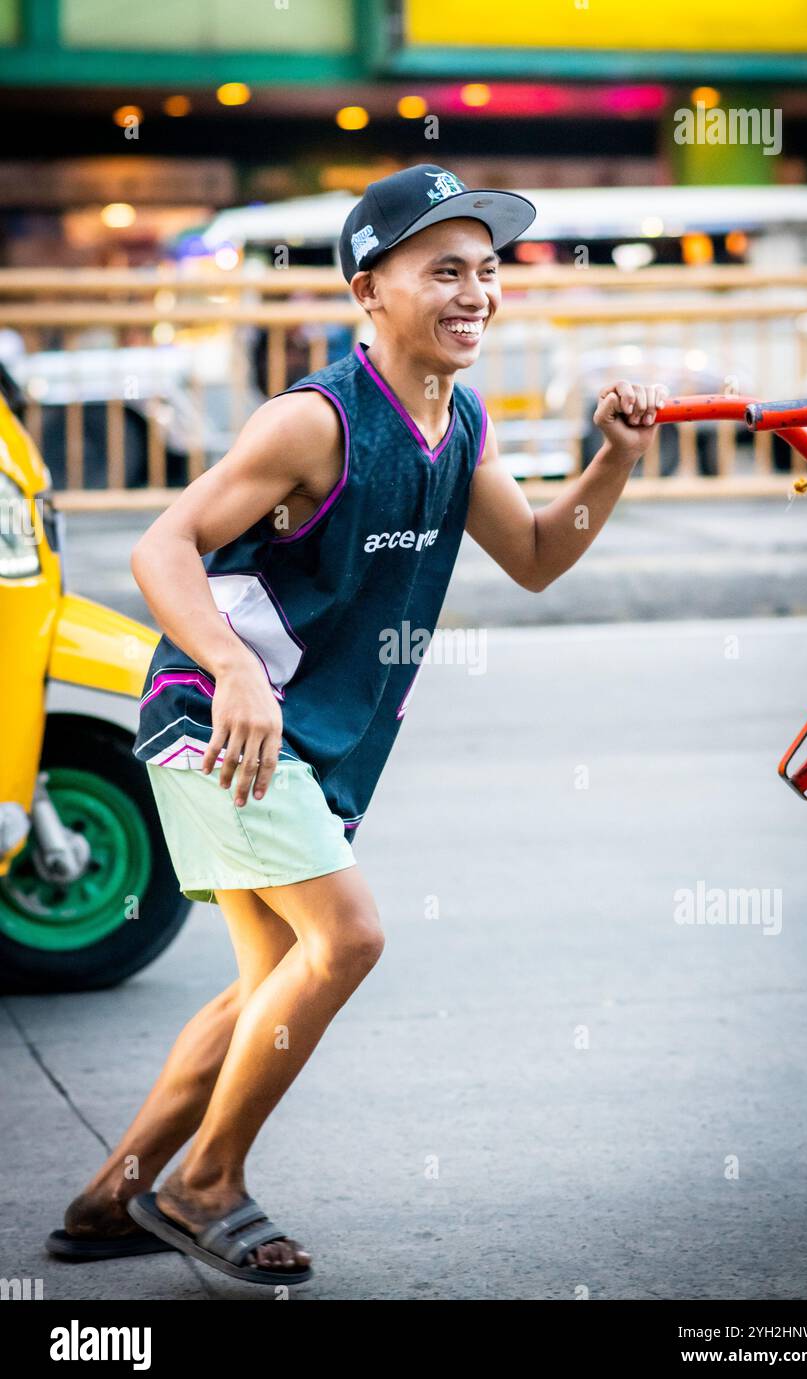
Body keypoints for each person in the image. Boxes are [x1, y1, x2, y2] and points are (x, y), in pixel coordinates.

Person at [47, 163, 668, 1287]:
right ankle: (204, 1184)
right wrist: (231, 670)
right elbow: (162, 546)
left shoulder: (458, 418)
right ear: (367, 288)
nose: (475, 292)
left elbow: (532, 556)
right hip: (220, 719)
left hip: (311, 740)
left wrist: (611, 462)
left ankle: (113, 1197)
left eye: (486, 272)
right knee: (349, 938)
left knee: (265, 980)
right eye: (443, 271)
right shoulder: (313, 422)